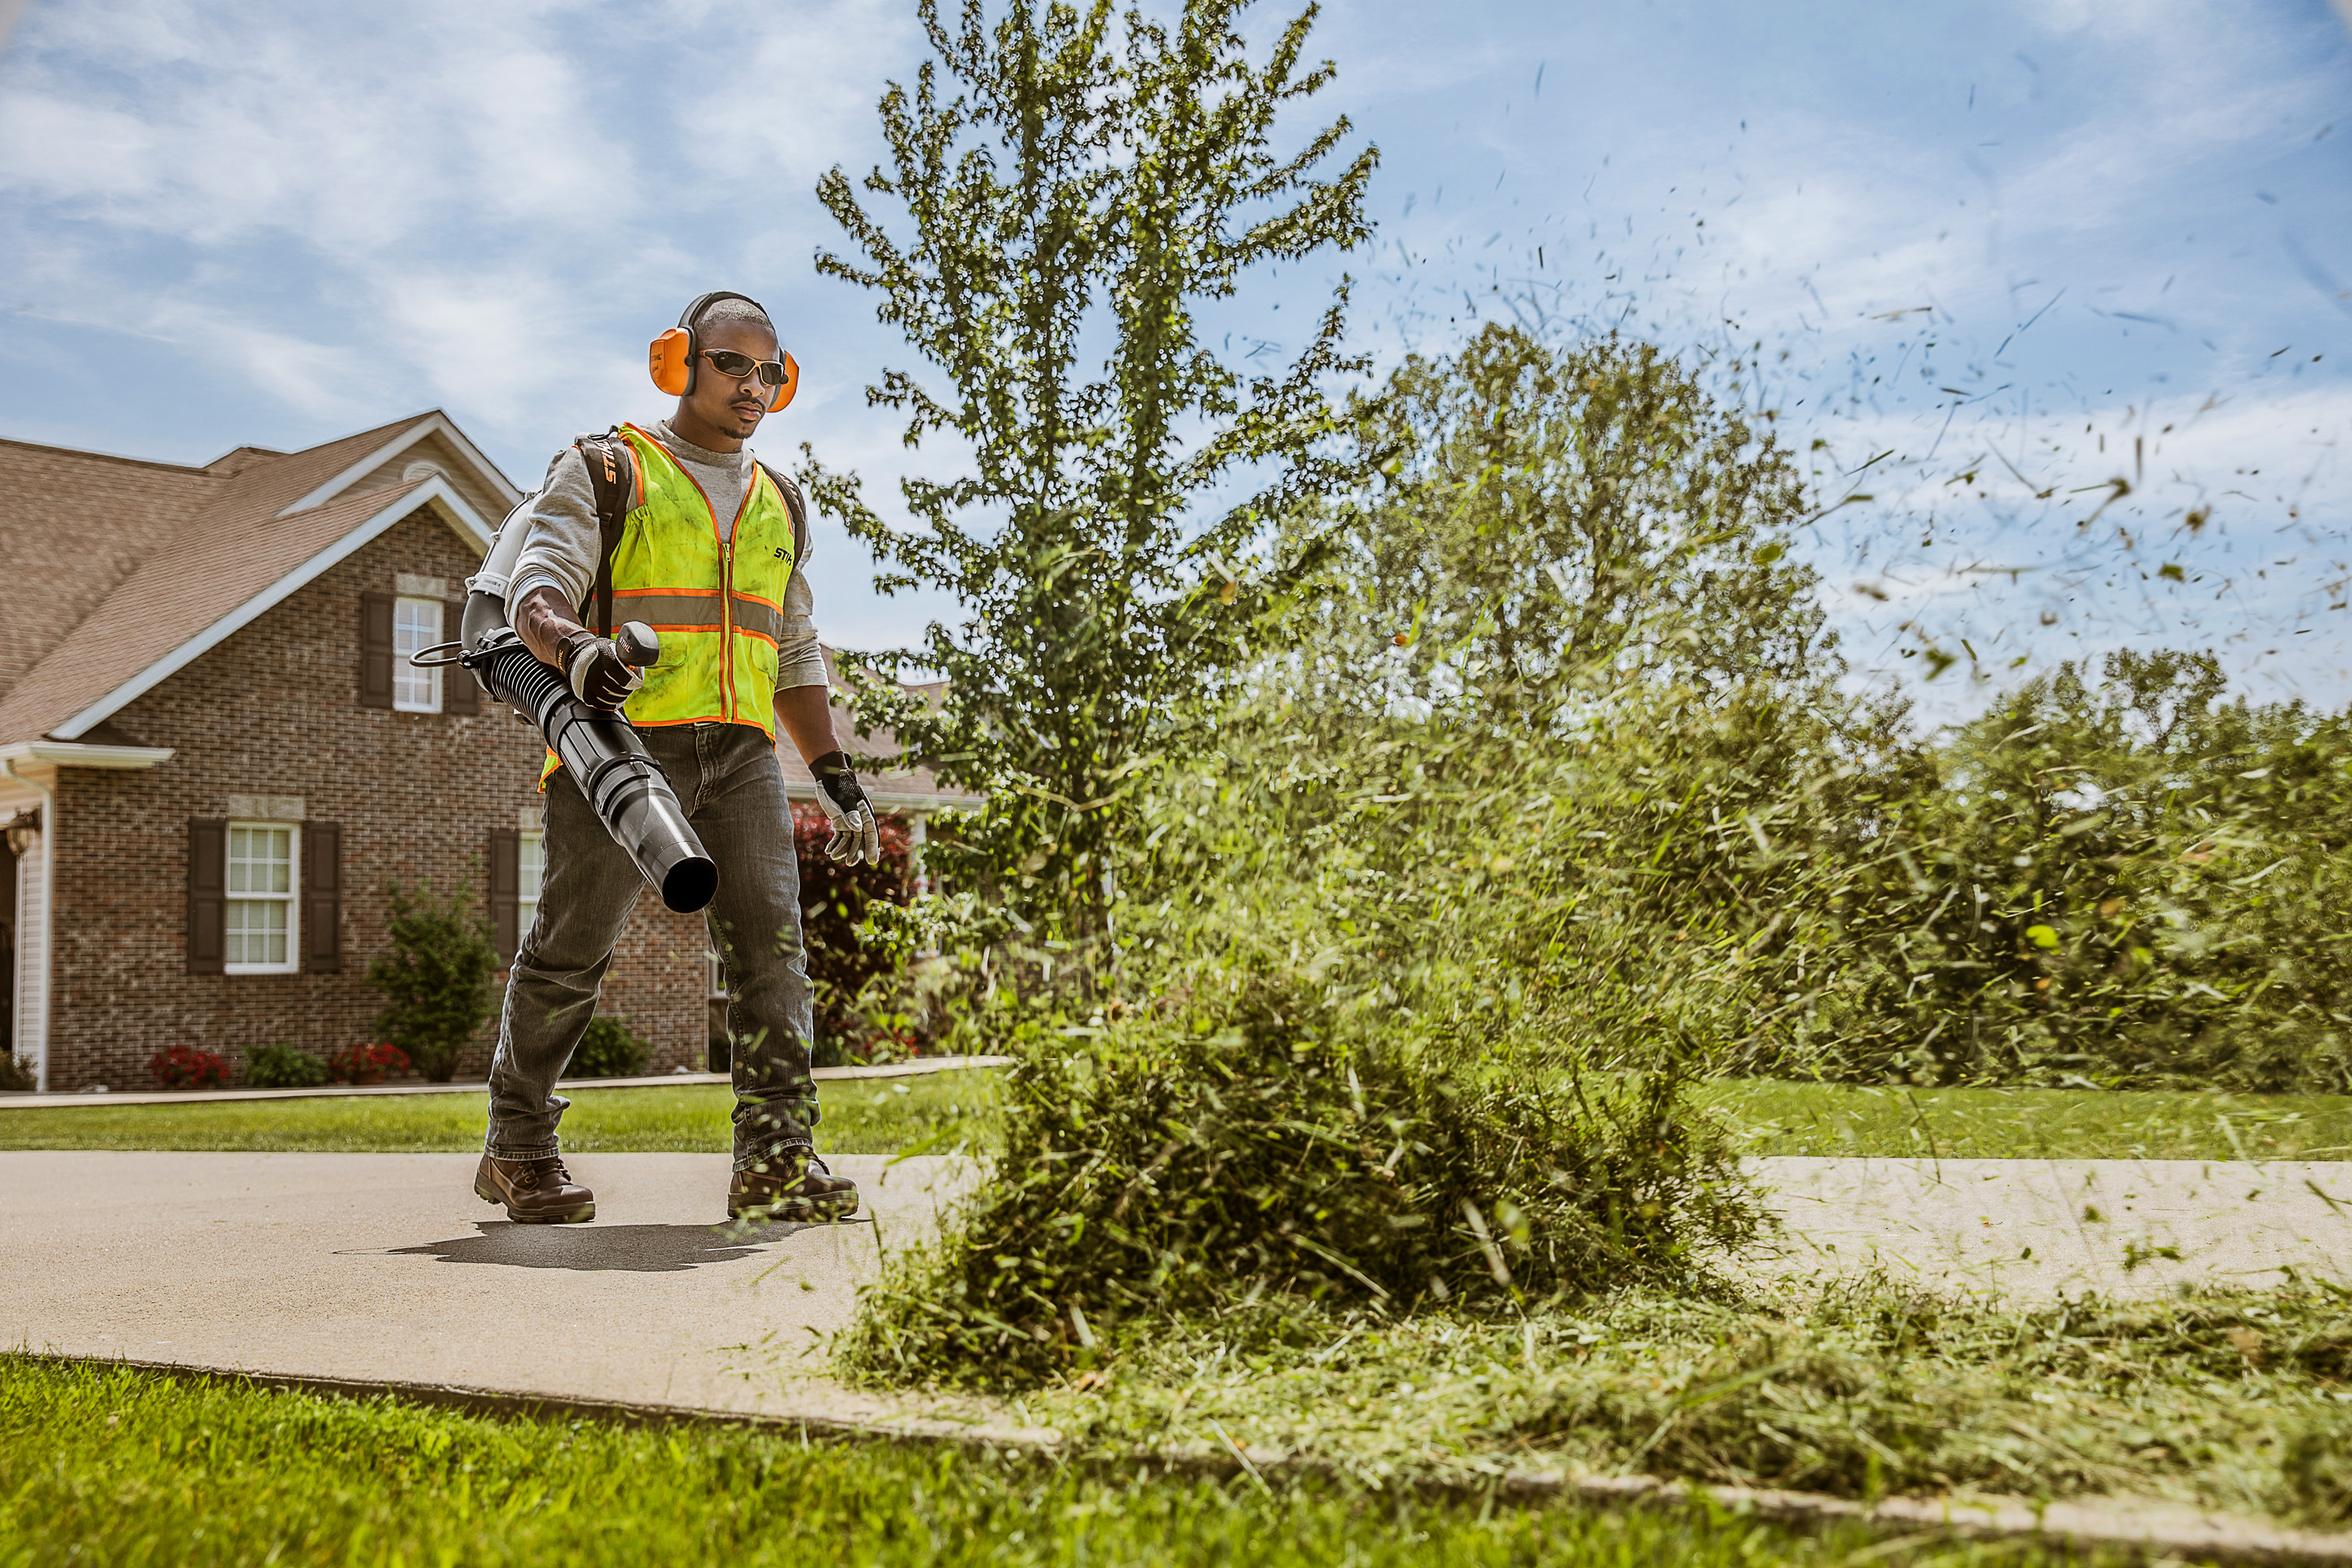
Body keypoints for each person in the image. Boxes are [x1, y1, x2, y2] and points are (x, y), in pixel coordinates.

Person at [472, 290, 880, 1225]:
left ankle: (777, 1156)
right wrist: (575, 647)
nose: (753, 384)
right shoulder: (609, 468)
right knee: (569, 954)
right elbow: (537, 589)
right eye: (732, 363)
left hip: (741, 754)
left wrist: (835, 774)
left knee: (773, 958)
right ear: (677, 364)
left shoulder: (781, 501)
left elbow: (794, 648)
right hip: (619, 747)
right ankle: (518, 1145)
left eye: (770, 371)